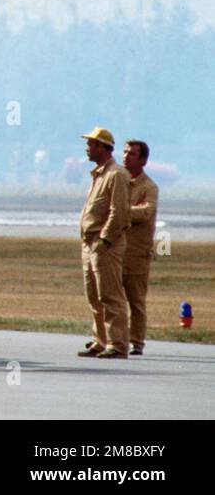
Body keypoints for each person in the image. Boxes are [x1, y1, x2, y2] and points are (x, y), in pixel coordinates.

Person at [77, 127, 130, 359]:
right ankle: (101, 340)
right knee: (94, 295)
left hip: (104, 244)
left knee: (110, 295)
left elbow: (118, 212)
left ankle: (117, 344)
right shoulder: (98, 174)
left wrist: (105, 239)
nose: (87, 148)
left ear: (102, 147)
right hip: (89, 244)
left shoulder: (116, 174)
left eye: (91, 144)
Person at [122, 139, 159, 356]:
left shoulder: (149, 187)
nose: (126, 156)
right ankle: (112, 338)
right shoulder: (119, 181)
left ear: (143, 160)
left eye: (132, 154)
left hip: (137, 253)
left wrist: (122, 212)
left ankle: (136, 341)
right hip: (115, 250)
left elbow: (146, 212)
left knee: (135, 299)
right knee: (110, 297)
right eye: (125, 152)